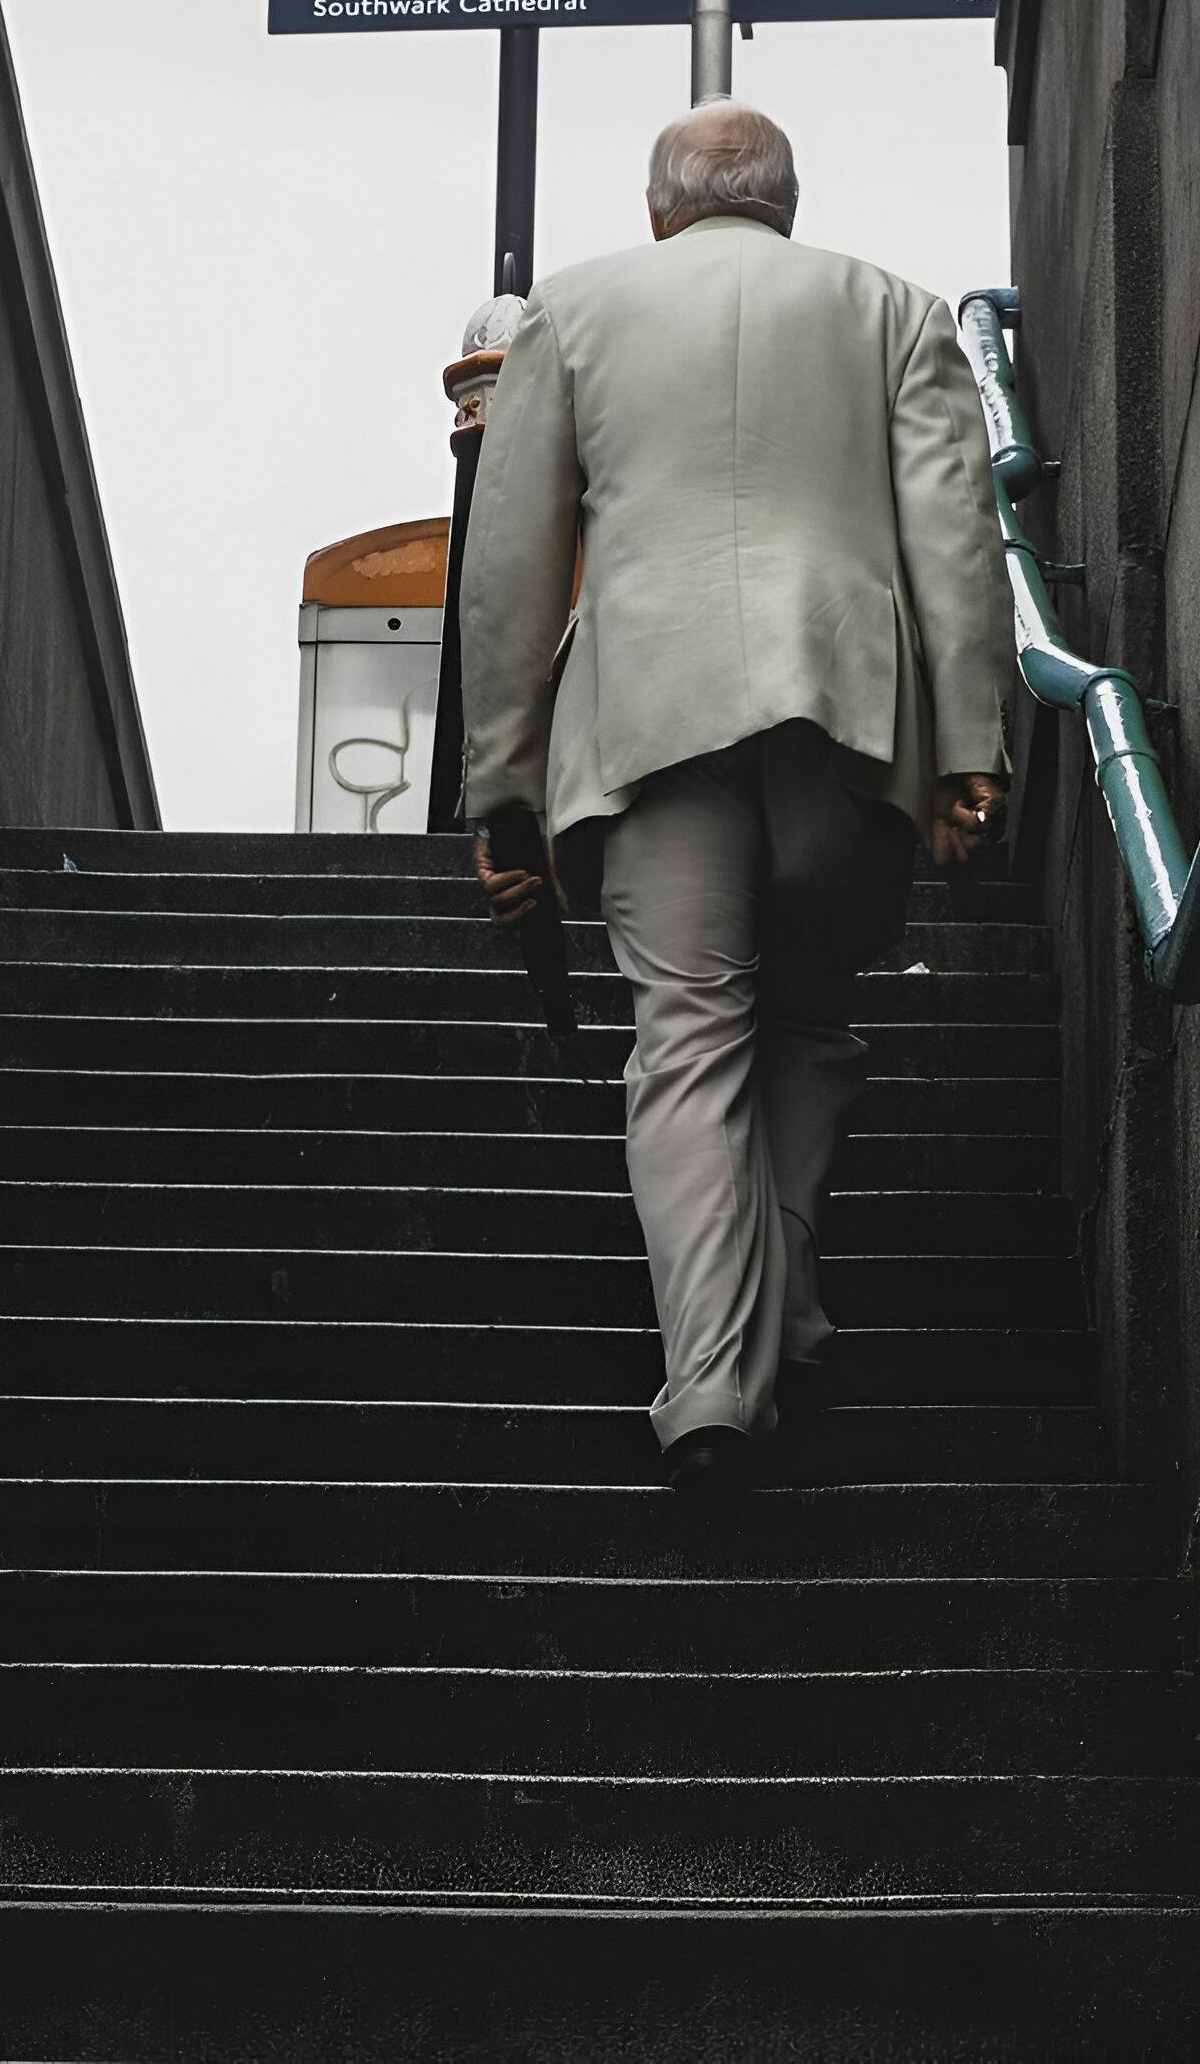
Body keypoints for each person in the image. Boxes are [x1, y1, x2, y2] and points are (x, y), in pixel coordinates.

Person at [458, 100, 1010, 1506]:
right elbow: (954, 534)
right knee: (807, 1019)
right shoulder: (893, 312)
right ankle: (792, 1306)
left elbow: (510, 570)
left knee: (689, 1037)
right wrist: (970, 748)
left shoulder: (572, 315)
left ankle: (712, 1381)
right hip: (850, 717)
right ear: (787, 202)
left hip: (652, 717)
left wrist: (503, 787)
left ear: (660, 210)